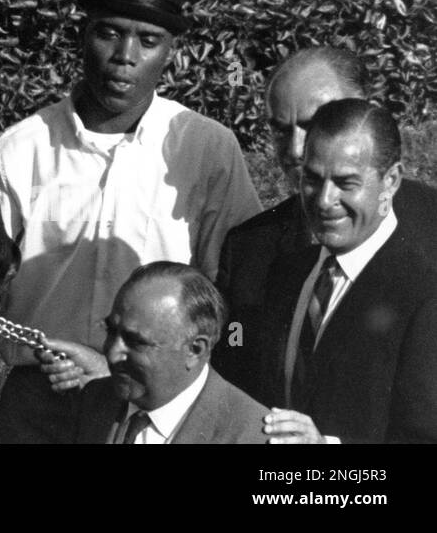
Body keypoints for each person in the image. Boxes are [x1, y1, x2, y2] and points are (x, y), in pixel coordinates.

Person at [0, 0, 262, 444]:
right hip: (41, 400)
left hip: (152, 407)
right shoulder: (20, 148)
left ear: (172, 51)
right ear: (83, 32)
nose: (125, 56)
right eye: (109, 32)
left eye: (148, 40)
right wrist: (38, 348)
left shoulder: (206, 149)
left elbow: (233, 287)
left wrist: (138, 362)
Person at [214, 46, 437, 396]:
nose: (296, 150)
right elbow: (234, 351)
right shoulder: (248, 250)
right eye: (281, 130)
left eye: (316, 123)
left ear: (368, 110)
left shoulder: (430, 228)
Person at [259, 100, 437, 444]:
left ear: (391, 181)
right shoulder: (287, 272)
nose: (324, 200)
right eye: (311, 179)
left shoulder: (424, 296)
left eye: (346, 183)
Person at [74, 262, 268, 444]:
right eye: (111, 331)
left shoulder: (253, 436)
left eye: (135, 341)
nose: (113, 354)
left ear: (195, 349)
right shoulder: (95, 399)